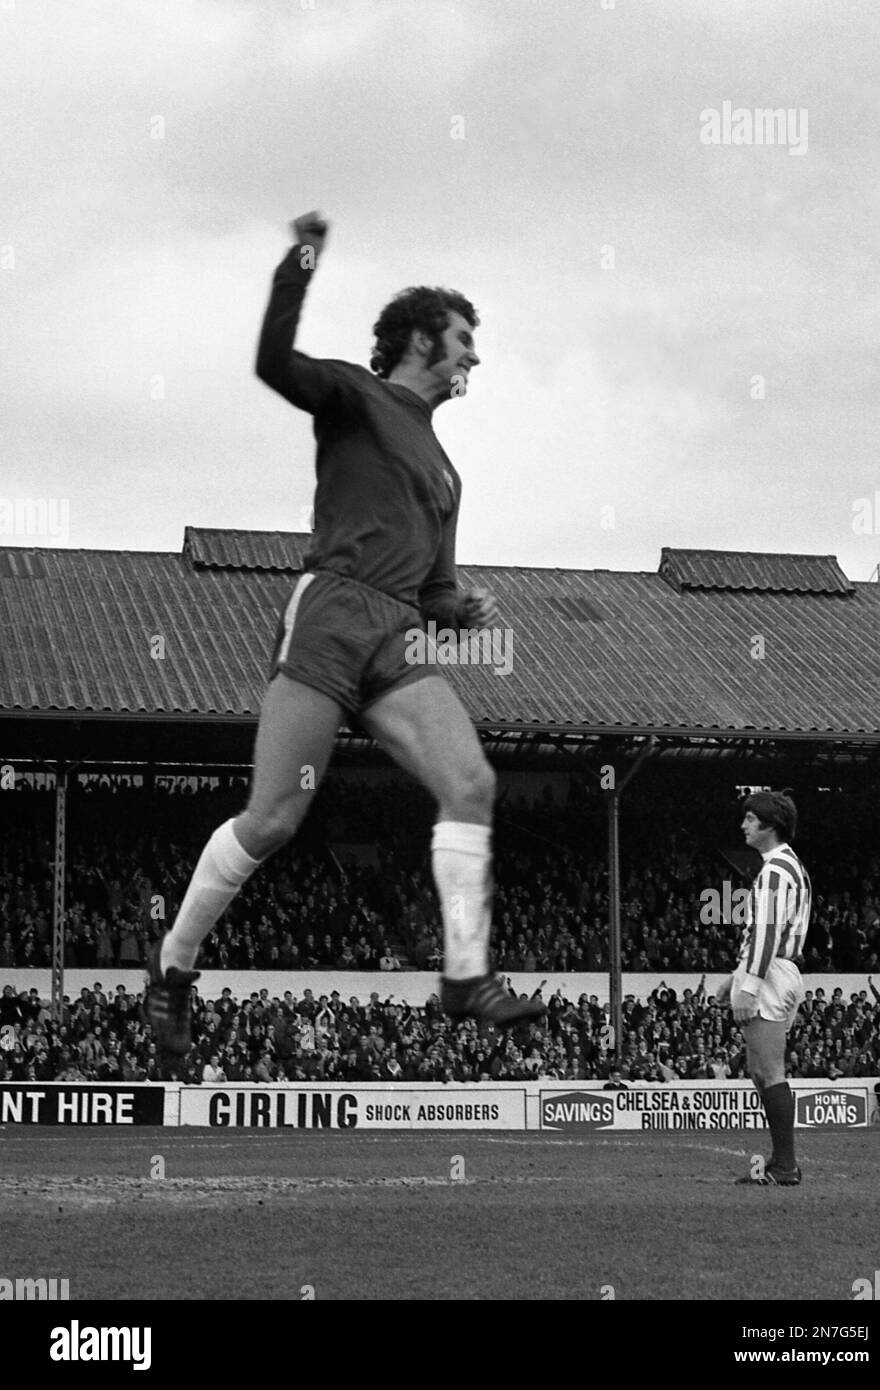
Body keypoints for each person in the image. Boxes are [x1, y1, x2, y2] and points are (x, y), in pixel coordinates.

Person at [144, 210, 544, 1057]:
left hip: (397, 632)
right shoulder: (357, 398)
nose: (475, 355)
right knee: (276, 818)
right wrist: (300, 263)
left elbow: (431, 588)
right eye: (463, 338)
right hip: (330, 613)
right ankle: (174, 964)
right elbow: (271, 363)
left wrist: (460, 608)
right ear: (420, 340)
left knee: (471, 784)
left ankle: (465, 973)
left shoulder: (446, 470)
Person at [720, 789, 811, 1186]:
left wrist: (749, 984)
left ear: (770, 825)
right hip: (775, 969)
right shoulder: (790, 866)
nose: (744, 825)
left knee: (769, 1071)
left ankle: (785, 1166)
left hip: (772, 973)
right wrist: (736, 976)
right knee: (761, 1070)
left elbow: (768, 932)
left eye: (751, 819)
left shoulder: (774, 870)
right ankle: (781, 1162)